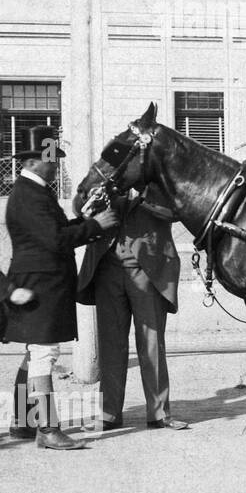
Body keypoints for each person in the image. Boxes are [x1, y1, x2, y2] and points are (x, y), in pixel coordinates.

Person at [4, 125, 118, 449]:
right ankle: (48, 430)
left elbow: (57, 229)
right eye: (51, 159)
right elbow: (55, 240)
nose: (55, 165)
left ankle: (23, 423)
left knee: (33, 354)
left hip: (39, 283)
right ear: (32, 161)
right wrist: (96, 226)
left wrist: (87, 223)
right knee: (44, 354)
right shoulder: (29, 195)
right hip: (41, 285)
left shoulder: (34, 192)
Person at [76, 184, 186, 430]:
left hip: (149, 270)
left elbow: (175, 211)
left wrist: (142, 195)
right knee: (110, 344)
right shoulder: (105, 173)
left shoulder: (157, 179)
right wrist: (90, 196)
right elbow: (78, 204)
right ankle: (109, 414)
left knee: (151, 342)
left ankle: (159, 414)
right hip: (107, 269)